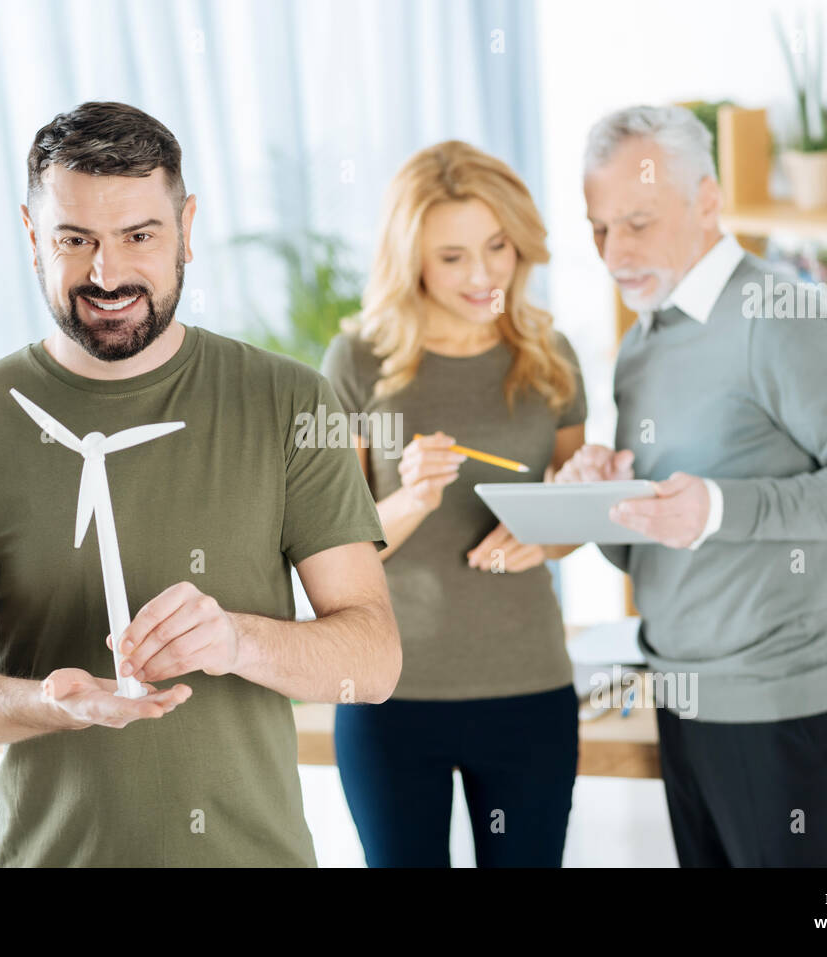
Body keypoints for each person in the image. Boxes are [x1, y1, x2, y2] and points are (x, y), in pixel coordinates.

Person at [0, 101, 400, 867]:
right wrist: (47, 702)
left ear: (186, 227)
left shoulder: (289, 401)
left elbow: (375, 662)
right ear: (32, 237)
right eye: (75, 239)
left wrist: (236, 639)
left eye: (139, 235)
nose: (107, 273)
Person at [557, 104, 827, 866]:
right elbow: (651, 556)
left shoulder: (781, 319)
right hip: (681, 701)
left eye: (638, 221)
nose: (614, 251)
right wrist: (601, 505)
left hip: (778, 708)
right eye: (599, 227)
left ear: (708, 201)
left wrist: (721, 506)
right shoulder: (643, 343)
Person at [322, 140, 588, 867]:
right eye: (452, 257)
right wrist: (411, 497)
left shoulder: (550, 356)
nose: (482, 274)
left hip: (528, 686)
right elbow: (336, 555)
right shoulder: (359, 365)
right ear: (410, 259)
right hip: (391, 697)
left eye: (497, 246)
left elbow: (574, 515)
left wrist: (548, 528)